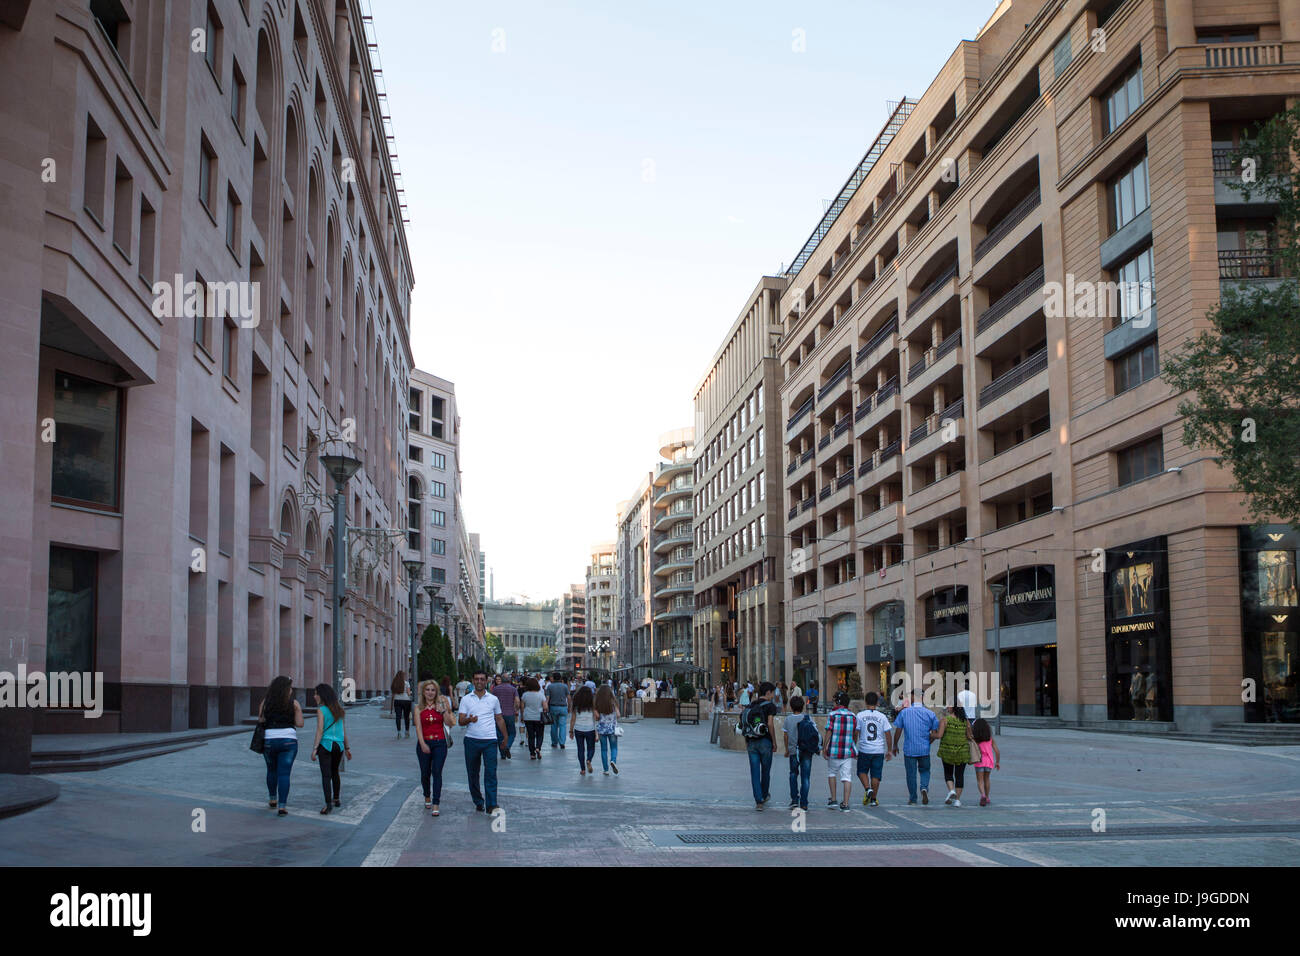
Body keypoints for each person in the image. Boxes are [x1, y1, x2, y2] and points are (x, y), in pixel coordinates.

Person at [458, 669, 508, 813]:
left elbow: (499, 718)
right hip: (472, 740)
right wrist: (469, 719)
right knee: (473, 773)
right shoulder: (467, 699)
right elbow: (460, 721)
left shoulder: (493, 699)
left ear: (486, 681)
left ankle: (492, 804)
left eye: (482, 679)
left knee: (491, 772)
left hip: (490, 740)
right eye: (476, 679)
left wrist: (504, 737)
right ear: (473, 681)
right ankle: (478, 801)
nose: (479, 682)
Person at [258, 676, 304, 816]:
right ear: (286, 689)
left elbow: (261, 720)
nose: (291, 690)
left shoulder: (265, 703)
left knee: (271, 770)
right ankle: (282, 806)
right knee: (284, 773)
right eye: (290, 688)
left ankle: (272, 799)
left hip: (270, 741)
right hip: (288, 741)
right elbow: (300, 723)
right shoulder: (294, 704)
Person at [892, 691, 940, 805]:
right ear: (923, 698)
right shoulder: (930, 714)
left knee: (911, 774)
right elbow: (935, 733)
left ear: (913, 697)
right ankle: (924, 787)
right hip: (924, 749)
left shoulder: (904, 713)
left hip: (909, 749)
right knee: (925, 771)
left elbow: (898, 730)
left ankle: (913, 798)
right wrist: (928, 742)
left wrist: (895, 745)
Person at [310, 683, 351, 815]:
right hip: (338, 746)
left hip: (326, 745)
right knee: (335, 772)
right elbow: (343, 730)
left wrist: (315, 748)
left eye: (316, 693)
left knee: (326, 775)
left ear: (322, 695)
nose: (314, 696)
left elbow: (320, 730)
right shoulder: (339, 709)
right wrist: (347, 747)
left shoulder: (321, 710)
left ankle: (328, 805)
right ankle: (337, 798)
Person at [416, 679, 453, 816]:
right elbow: (418, 728)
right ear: (423, 692)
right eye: (427, 690)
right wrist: (423, 744)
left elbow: (450, 723)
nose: (430, 693)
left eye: (433, 690)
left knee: (437, 772)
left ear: (436, 692)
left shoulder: (441, 704)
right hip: (424, 743)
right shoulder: (418, 708)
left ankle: (436, 803)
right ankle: (427, 795)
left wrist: (443, 712)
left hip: (440, 743)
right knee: (425, 773)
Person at [740, 681, 778, 810]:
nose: (773, 696)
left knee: (754, 772)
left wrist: (747, 741)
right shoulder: (770, 706)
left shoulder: (751, 705)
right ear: (768, 693)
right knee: (765, 771)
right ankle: (765, 794)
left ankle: (759, 801)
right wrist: (774, 741)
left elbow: (745, 723)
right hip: (765, 741)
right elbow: (771, 724)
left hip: (751, 742)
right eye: (772, 693)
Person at [855, 691, 892, 807]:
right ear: (877, 702)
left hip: (864, 749)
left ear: (865, 702)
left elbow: (855, 732)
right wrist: (889, 750)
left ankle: (867, 788)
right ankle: (873, 799)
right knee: (876, 775)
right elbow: (888, 734)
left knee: (861, 771)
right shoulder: (882, 717)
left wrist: (853, 747)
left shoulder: (860, 716)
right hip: (878, 750)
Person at [822, 691, 857, 812]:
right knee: (847, 777)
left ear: (838, 701)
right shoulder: (853, 716)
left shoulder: (833, 715)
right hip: (847, 751)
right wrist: (853, 744)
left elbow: (829, 731)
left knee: (832, 773)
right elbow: (855, 733)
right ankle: (846, 803)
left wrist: (824, 747)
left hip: (834, 750)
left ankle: (833, 799)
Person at [782, 694, 816, 811]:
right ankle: (804, 803)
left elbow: (785, 736)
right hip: (806, 751)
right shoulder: (808, 718)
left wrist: (787, 749)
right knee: (805, 777)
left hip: (793, 751)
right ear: (803, 707)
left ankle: (794, 800)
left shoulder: (788, 719)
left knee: (793, 774)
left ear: (791, 707)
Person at [937, 705, 971, 807]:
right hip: (962, 752)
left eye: (949, 705)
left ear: (953, 708)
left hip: (947, 751)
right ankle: (957, 800)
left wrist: (930, 735)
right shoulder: (966, 721)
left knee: (948, 773)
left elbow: (939, 735)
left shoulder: (945, 720)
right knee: (959, 775)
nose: (947, 707)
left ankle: (951, 790)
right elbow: (969, 736)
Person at [971, 717, 1001, 806]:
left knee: (980, 780)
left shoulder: (975, 739)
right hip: (989, 761)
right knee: (987, 779)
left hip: (979, 761)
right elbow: (997, 751)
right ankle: (987, 797)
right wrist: (998, 762)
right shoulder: (990, 739)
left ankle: (983, 795)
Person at [570, 685, 598, 775]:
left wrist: (571, 731)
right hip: (590, 729)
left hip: (578, 729)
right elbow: (596, 717)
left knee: (580, 749)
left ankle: (582, 769)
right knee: (591, 748)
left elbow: (573, 719)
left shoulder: (576, 704)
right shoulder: (592, 704)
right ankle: (589, 760)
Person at [595, 685, 621, 775]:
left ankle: (605, 770)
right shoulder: (613, 702)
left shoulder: (597, 703)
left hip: (602, 729)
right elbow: (618, 715)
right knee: (614, 747)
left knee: (603, 749)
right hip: (612, 729)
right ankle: (613, 760)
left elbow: (597, 717)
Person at [492, 675, 518, 759]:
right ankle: (508, 745)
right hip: (510, 714)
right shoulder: (513, 689)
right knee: (512, 733)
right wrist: (516, 709)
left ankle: (502, 754)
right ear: (509, 680)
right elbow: (517, 701)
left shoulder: (495, 689)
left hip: (498, 715)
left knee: (500, 734)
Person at [520, 676, 546, 760]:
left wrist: (523, 716)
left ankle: (532, 754)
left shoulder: (525, 695)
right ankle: (538, 748)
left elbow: (522, 706)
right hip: (539, 717)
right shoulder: (541, 695)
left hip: (528, 717)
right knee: (540, 734)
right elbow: (545, 707)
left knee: (531, 736)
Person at [546, 671, 569, 749]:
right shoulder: (565, 686)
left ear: (553, 678)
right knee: (563, 726)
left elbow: (547, 698)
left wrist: (545, 707)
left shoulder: (549, 686)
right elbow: (568, 697)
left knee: (554, 726)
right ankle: (562, 742)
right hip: (563, 707)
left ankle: (554, 742)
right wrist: (570, 707)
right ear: (560, 678)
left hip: (553, 708)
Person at [391, 671, 412, 739]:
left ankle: (399, 733)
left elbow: (393, 694)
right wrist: (411, 692)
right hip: (406, 701)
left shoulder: (394, 683)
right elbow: (409, 693)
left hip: (397, 701)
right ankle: (407, 732)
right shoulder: (406, 683)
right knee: (406, 717)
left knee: (398, 717)